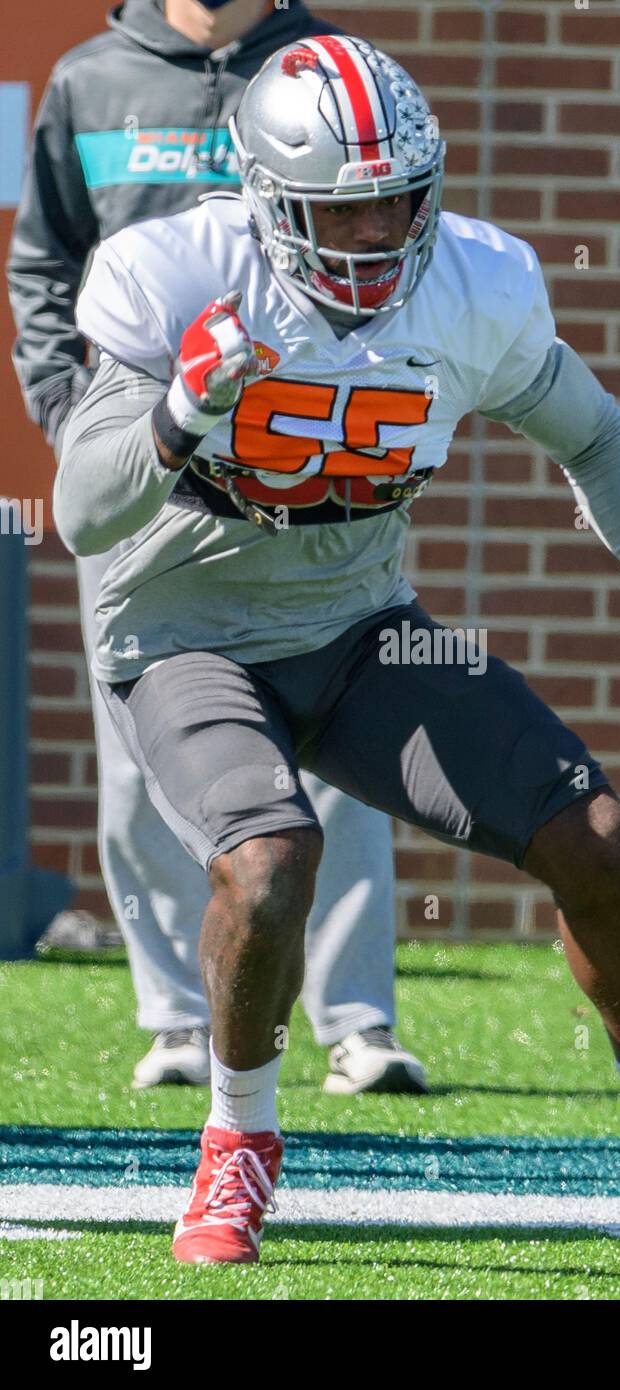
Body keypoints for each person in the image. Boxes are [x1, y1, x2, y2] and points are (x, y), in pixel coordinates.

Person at [54, 34, 620, 1266]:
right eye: (341, 210)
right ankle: (237, 1145)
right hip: (183, 633)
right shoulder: (175, 272)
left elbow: (594, 433)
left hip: (361, 628)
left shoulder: (471, 281)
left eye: (397, 202)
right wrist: (177, 410)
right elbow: (81, 512)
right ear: (268, 199)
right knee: (267, 861)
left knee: (597, 838)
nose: (374, 236)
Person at [6, 0, 427, 1096]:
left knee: (341, 755)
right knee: (140, 759)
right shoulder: (89, 80)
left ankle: (354, 1021)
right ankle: (179, 1018)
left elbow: (394, 243)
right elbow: (43, 268)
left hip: (312, 471)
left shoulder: (326, 67)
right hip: (151, 470)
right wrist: (79, 425)